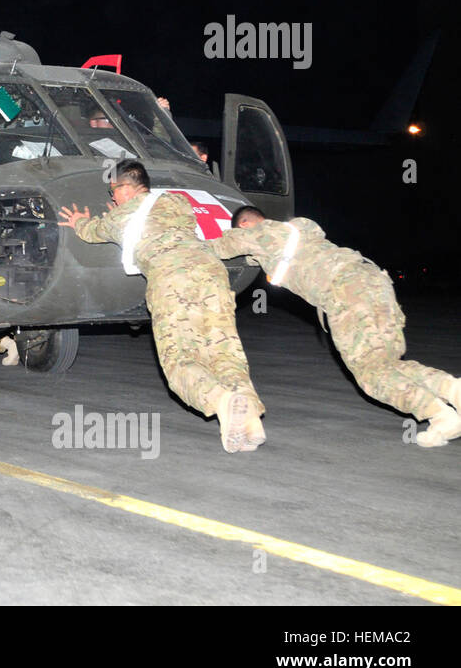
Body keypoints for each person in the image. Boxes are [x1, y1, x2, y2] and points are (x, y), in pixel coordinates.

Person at [58, 159, 266, 452]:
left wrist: (80, 219)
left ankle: (222, 400)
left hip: (172, 281)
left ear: (126, 189)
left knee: (180, 360)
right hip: (211, 272)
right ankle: (251, 420)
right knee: (224, 350)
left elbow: (91, 232)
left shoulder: (121, 216)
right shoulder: (176, 202)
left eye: (113, 191)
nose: (112, 198)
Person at [212, 206, 461, 447]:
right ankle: (452, 392)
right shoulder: (295, 232)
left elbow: (215, 248)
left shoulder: (256, 233)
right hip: (375, 283)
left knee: (371, 376)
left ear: (244, 224)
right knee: (387, 364)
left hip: (346, 293)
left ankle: (437, 413)